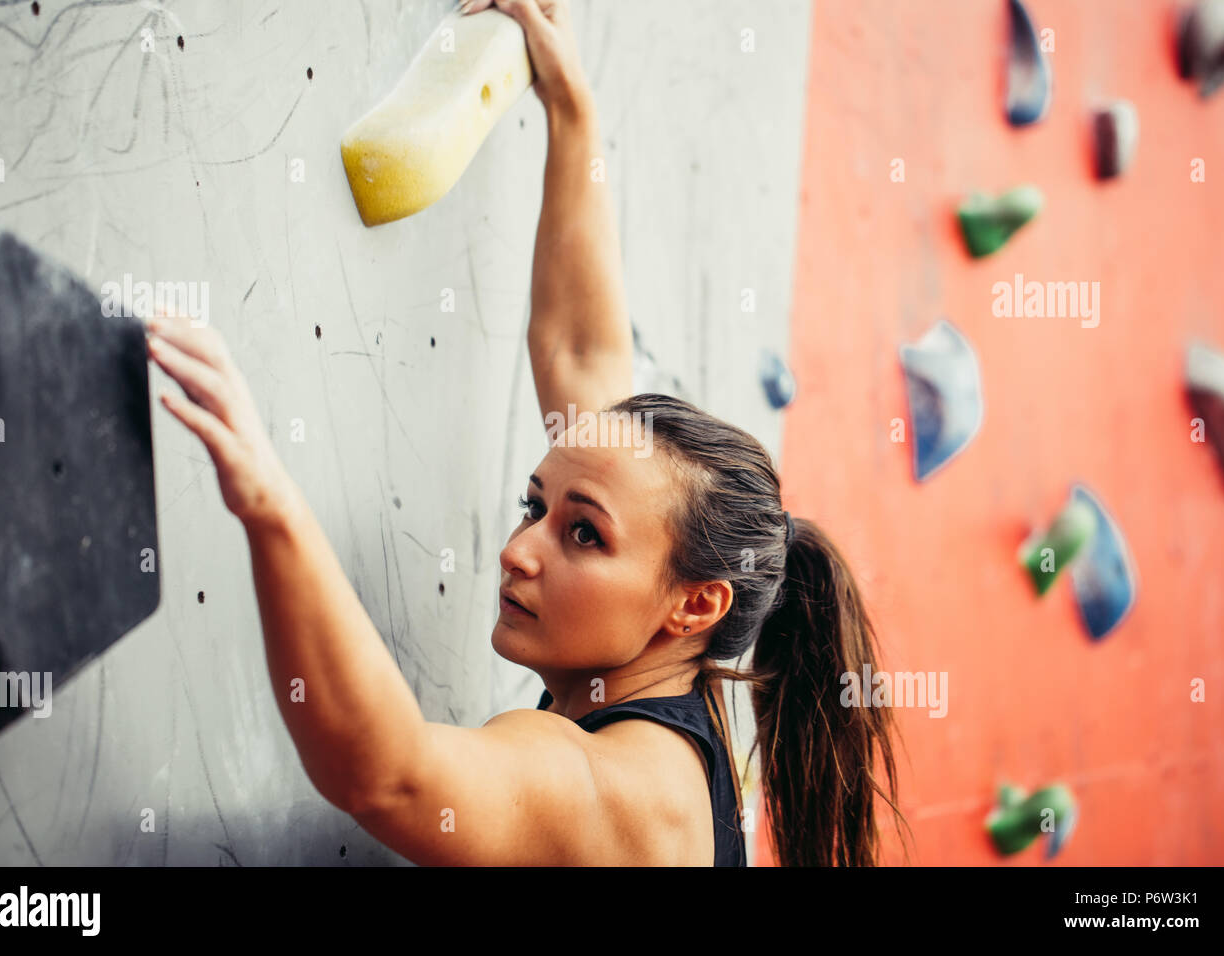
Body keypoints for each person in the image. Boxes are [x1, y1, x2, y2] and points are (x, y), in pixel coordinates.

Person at [145, 0, 910, 866]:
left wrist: (271, 507)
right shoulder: (674, 685)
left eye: (583, 534)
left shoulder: (615, 789)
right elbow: (581, 354)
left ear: (696, 604)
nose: (518, 550)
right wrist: (570, 108)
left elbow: (389, 777)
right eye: (534, 504)